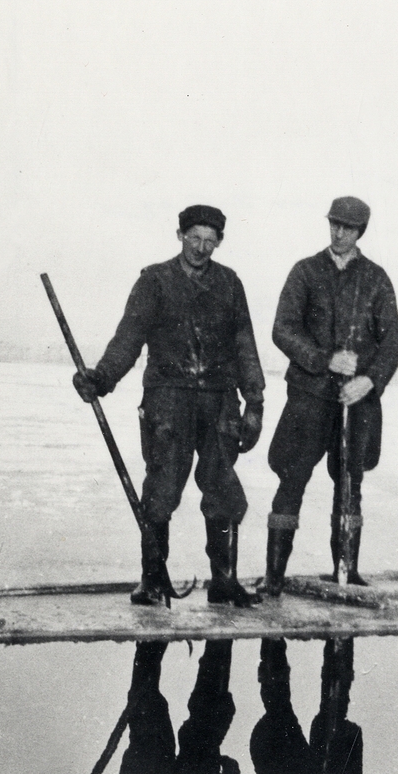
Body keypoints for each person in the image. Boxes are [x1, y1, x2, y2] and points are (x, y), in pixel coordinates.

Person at [73, 204, 265, 608]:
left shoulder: (230, 284)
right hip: (168, 402)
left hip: (218, 404)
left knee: (223, 489)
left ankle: (225, 581)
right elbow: (129, 337)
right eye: (194, 237)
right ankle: (152, 580)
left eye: (210, 241)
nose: (201, 247)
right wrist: (102, 378)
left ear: (220, 243)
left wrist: (255, 400)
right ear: (179, 235)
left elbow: (245, 344)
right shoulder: (155, 281)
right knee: (160, 489)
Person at [263, 196, 398, 594]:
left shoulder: (377, 279)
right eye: (334, 225)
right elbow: (282, 329)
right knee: (290, 481)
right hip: (308, 398)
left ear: (361, 232)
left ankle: (347, 571)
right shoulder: (305, 272)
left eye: (348, 227)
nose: (339, 233)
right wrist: (324, 359)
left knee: (350, 485)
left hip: (357, 403)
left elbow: (392, 342)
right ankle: (273, 578)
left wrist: (370, 380)